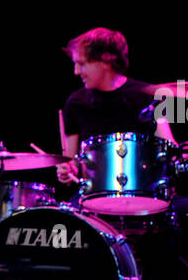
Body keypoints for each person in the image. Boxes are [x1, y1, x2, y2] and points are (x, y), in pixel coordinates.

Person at [57, 26, 174, 185]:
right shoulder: (75, 103)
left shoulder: (149, 96)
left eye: (81, 64)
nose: (76, 71)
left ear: (105, 60)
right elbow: (72, 162)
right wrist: (68, 171)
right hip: (93, 197)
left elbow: (169, 147)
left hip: (142, 194)